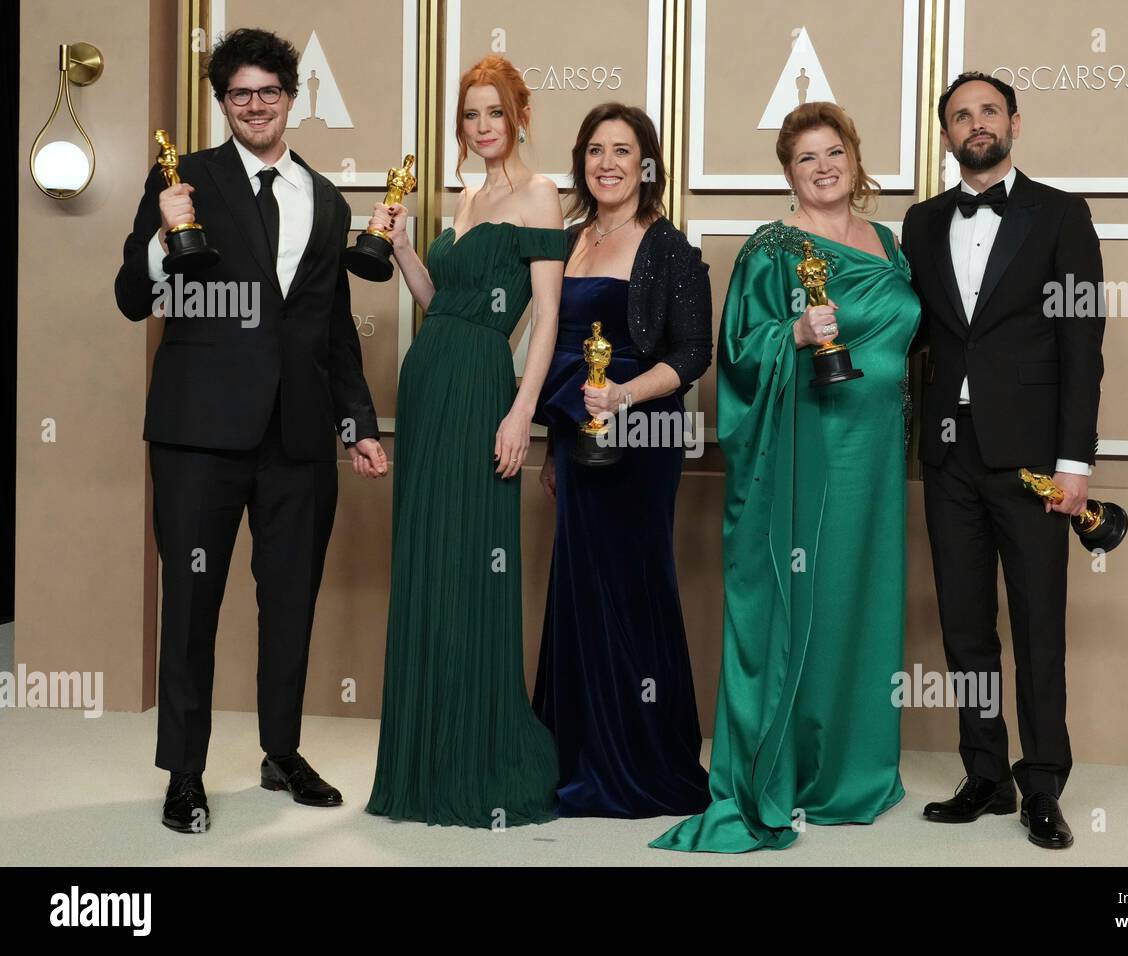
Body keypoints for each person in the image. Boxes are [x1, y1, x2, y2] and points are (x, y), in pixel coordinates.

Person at [113, 28, 388, 833]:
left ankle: (282, 750)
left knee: (291, 603)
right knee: (192, 605)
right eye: (240, 94)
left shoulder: (327, 199)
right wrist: (165, 237)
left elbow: (332, 329)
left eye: (269, 91)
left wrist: (359, 424)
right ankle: (185, 773)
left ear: (292, 97)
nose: (256, 104)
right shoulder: (183, 179)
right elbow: (134, 297)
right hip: (198, 435)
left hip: (299, 439)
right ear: (223, 102)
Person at [651, 102, 919, 852]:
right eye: (807, 157)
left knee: (855, 604)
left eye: (835, 152)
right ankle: (784, 769)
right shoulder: (771, 248)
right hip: (805, 451)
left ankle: (850, 771)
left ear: (855, 159)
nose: (824, 166)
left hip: (875, 459)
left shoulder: (890, 244)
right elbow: (736, 351)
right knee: (797, 600)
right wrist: (794, 333)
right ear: (788, 171)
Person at [901, 71, 1104, 849]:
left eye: (989, 110)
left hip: (1031, 462)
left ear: (1014, 122)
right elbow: (910, 331)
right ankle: (983, 772)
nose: (975, 123)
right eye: (960, 115)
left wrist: (1074, 461)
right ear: (945, 133)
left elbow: (1081, 345)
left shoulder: (1062, 214)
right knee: (963, 625)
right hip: (949, 458)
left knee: (1038, 624)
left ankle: (1042, 782)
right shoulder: (921, 223)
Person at [364, 55, 565, 828]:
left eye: (494, 112)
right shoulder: (464, 194)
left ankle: (477, 751)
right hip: (426, 382)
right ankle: (422, 754)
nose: (483, 127)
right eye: (470, 116)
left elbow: (544, 319)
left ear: (518, 116)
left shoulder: (541, 195)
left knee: (475, 561)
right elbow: (436, 300)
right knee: (426, 560)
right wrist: (410, 246)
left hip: (485, 384)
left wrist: (522, 414)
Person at [532, 103, 712, 818]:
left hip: (642, 435)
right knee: (579, 587)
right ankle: (576, 753)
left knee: (633, 585)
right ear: (581, 161)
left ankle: (639, 756)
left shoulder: (671, 248)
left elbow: (693, 354)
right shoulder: (567, 241)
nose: (607, 163)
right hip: (577, 437)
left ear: (647, 164)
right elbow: (552, 348)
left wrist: (624, 398)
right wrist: (556, 441)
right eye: (595, 150)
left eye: (623, 150)